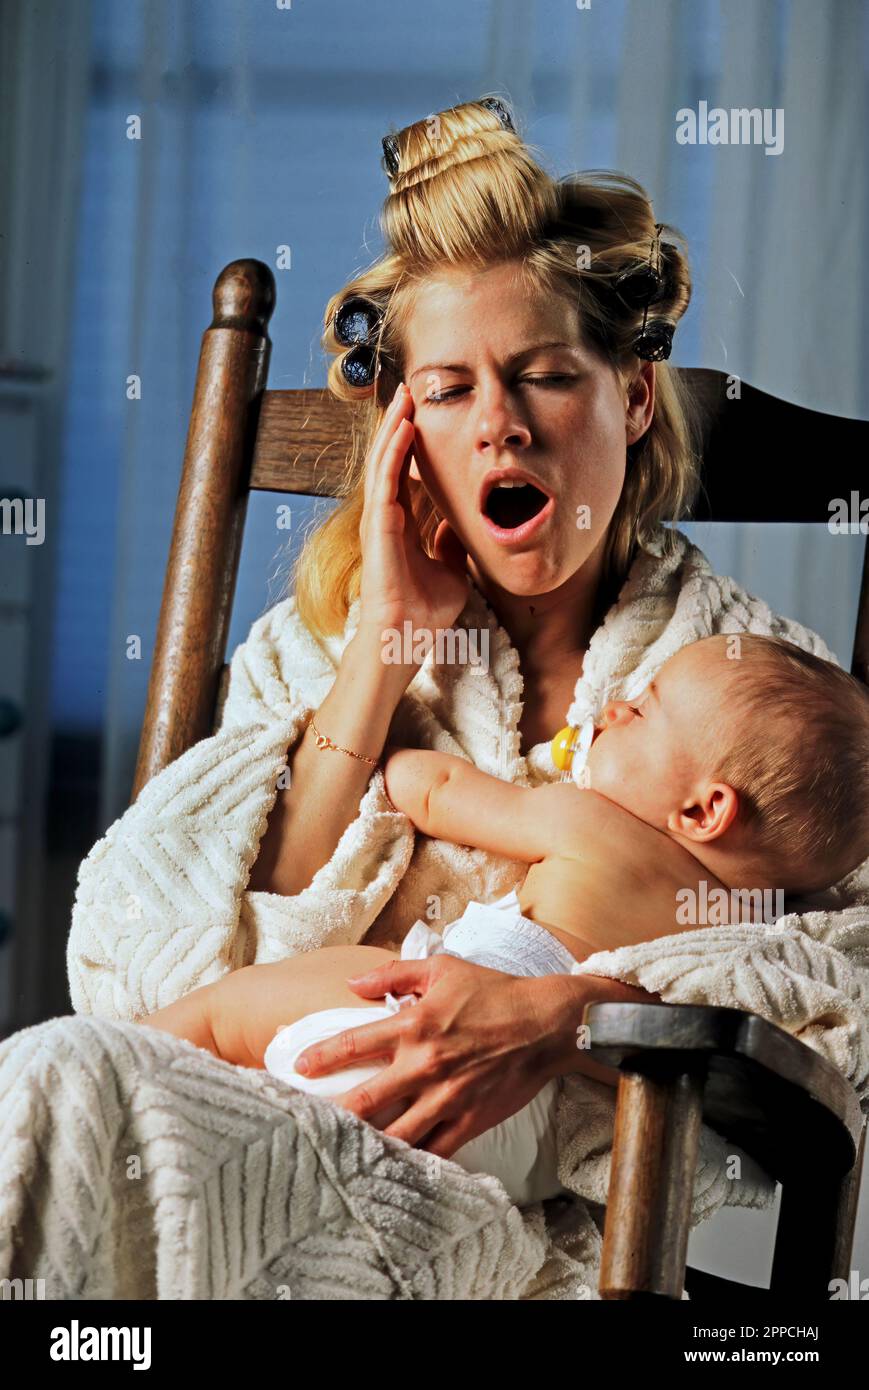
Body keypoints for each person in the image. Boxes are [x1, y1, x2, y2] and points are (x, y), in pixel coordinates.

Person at [15, 94, 863, 1299]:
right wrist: (381, 656)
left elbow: (840, 993)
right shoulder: (313, 650)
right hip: (249, 1122)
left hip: (503, 1218)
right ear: (404, 432)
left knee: (57, 1095)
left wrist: (562, 1012)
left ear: (628, 396)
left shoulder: (744, 688)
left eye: (543, 377)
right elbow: (181, 955)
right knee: (59, 1091)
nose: (500, 427)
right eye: (452, 390)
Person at [258, 633, 869, 1206]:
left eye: (642, 710)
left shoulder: (590, 822)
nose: (612, 709)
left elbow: (439, 790)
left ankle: (175, 1035)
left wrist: (395, 763)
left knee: (303, 985)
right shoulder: (750, 932)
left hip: (422, 1033)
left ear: (704, 809)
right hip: (533, 1146)